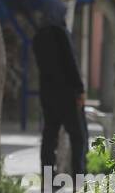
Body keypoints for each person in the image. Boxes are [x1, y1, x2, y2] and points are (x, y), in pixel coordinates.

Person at [34, 21, 87, 176]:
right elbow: (71, 63)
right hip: (67, 95)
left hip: (47, 94)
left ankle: (47, 177)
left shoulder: (38, 37)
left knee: (49, 137)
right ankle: (79, 177)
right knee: (78, 137)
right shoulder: (60, 33)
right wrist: (80, 89)